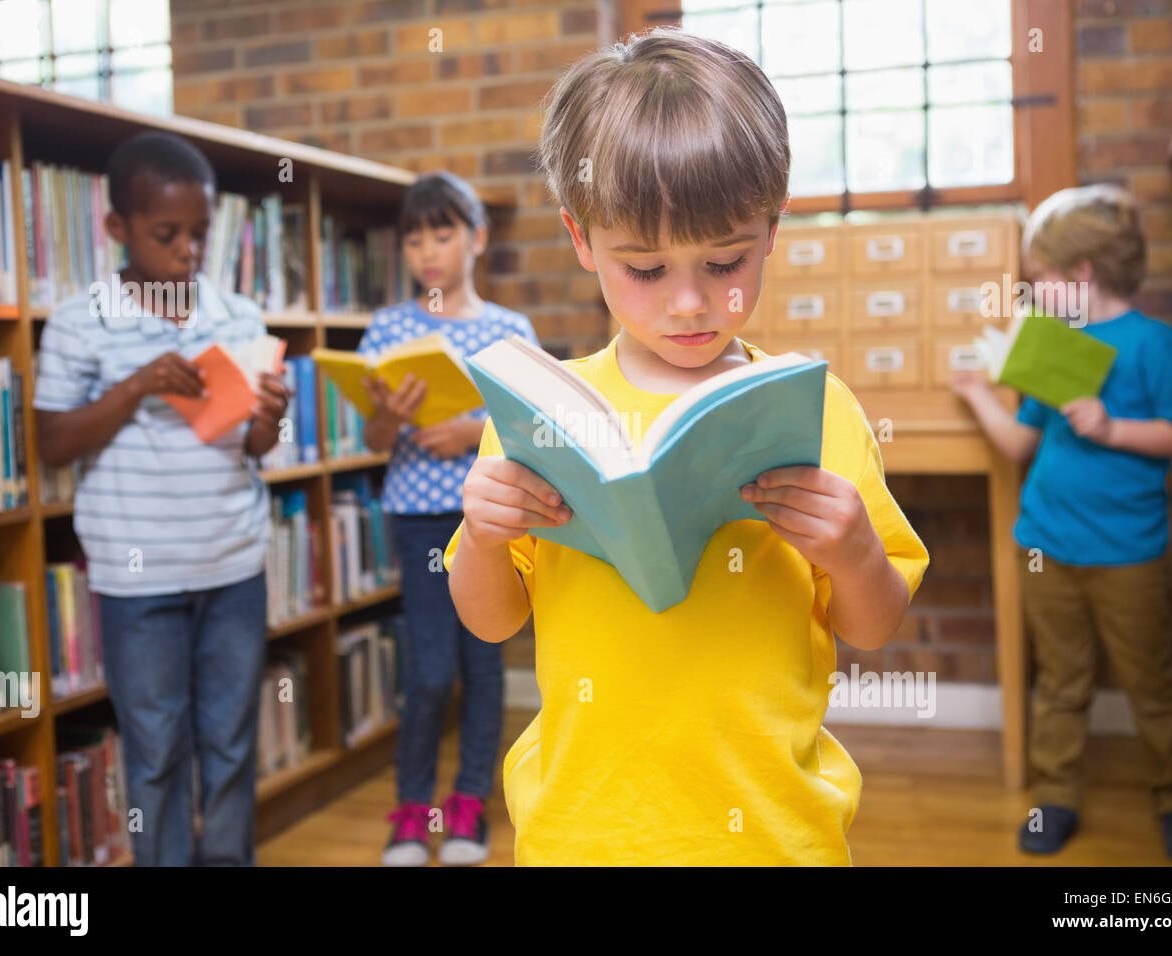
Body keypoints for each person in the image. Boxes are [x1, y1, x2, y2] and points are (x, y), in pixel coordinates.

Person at [442, 28, 929, 865]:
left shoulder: (820, 412)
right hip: (583, 831)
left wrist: (853, 555)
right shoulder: (543, 412)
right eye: (646, 268)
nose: (691, 303)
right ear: (581, 238)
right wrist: (483, 535)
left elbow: (876, 626)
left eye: (725, 260)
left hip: (772, 833)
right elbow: (489, 623)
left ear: (771, 229)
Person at [34, 131, 289, 865]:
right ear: (116, 229)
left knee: (231, 743)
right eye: (166, 234)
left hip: (232, 563)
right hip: (135, 577)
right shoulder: (81, 321)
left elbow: (255, 446)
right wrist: (137, 385)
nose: (187, 251)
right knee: (154, 752)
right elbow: (53, 443)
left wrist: (269, 417)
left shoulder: (236, 314)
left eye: (200, 234)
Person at [952, 183, 1172, 862]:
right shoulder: (1052, 347)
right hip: (1046, 545)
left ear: (1080, 275)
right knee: (1060, 683)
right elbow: (1019, 444)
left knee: (1152, 682)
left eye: (1040, 280)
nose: (1034, 293)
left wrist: (1113, 427)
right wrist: (980, 396)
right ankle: (1055, 800)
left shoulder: (1157, 345)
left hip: (1128, 553)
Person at [360, 171, 539, 866]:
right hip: (416, 518)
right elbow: (374, 442)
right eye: (414, 239)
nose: (429, 251)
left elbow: (528, 431)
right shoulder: (388, 328)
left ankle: (467, 805)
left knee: (483, 666)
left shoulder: (508, 330)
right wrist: (390, 417)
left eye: (443, 233)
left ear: (477, 240)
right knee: (431, 672)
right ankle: (411, 810)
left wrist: (470, 435)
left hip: (490, 517)